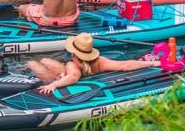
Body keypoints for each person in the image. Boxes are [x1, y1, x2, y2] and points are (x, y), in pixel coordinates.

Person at [28, 32, 160, 94]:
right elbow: (125, 65)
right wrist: (152, 64)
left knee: (32, 64)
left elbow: (73, 77)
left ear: (74, 54)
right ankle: (59, 73)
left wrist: (54, 84)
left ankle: (42, 72)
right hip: (70, 72)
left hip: (64, 76)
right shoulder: (100, 62)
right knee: (45, 61)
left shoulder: (73, 65)